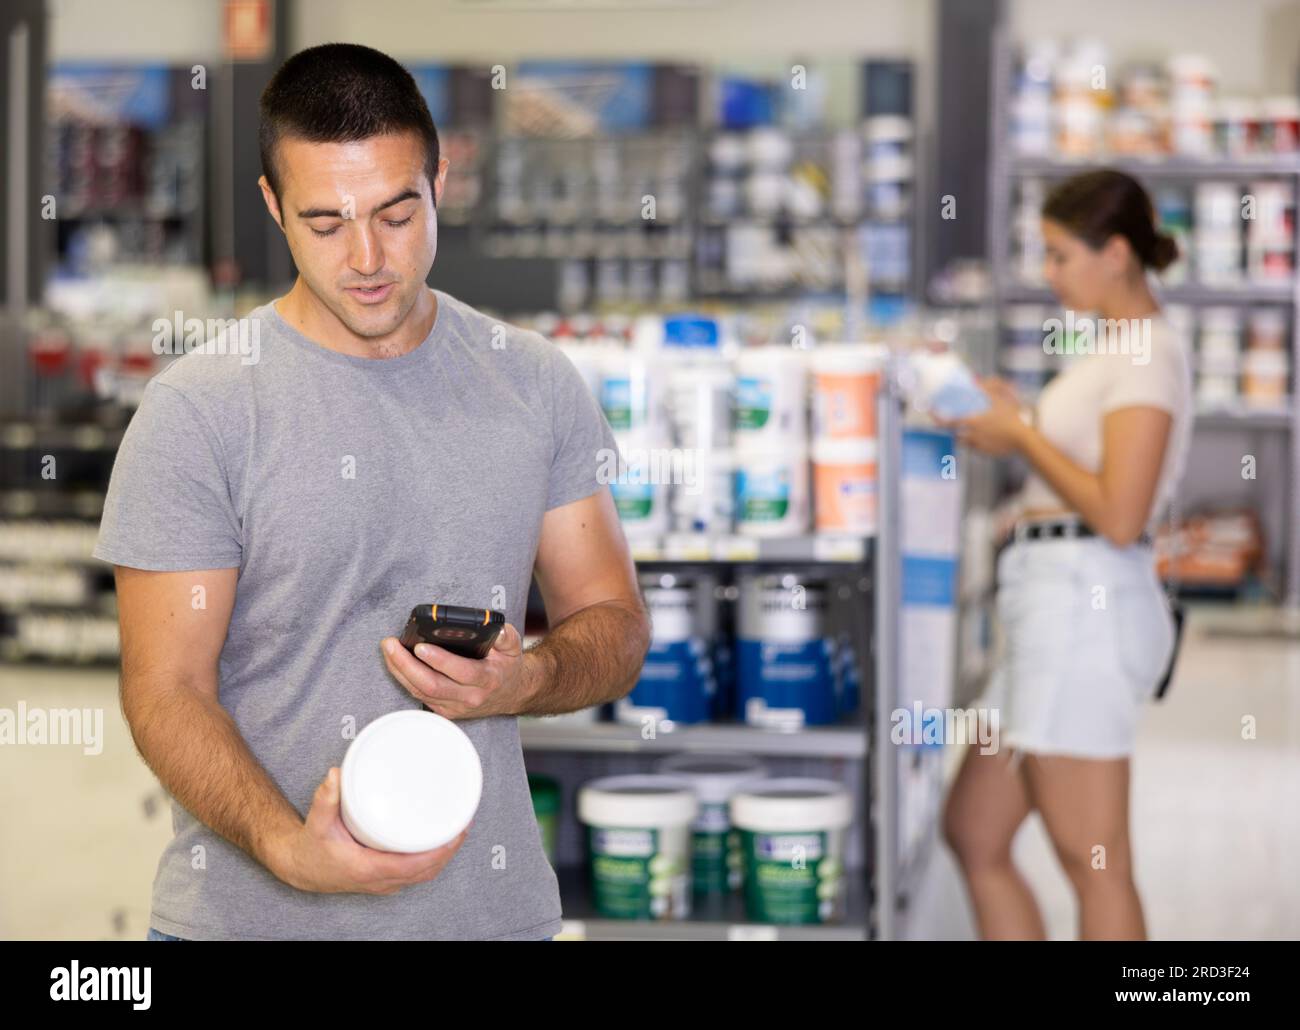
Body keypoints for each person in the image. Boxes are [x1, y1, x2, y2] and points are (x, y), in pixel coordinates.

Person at [94, 43, 651, 941]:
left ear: (441, 181)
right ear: (274, 206)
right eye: (325, 222)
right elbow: (166, 688)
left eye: (397, 213)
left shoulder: (534, 383)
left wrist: (528, 677)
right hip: (250, 926)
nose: (366, 258)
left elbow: (614, 623)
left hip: (489, 920)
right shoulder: (198, 411)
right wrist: (288, 849)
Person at [942, 169, 1192, 940]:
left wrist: (1021, 434)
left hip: (1085, 611)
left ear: (1114, 253)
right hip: (1048, 619)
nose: (1048, 274)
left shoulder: (1146, 353)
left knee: (1095, 863)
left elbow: (1120, 512)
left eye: (1059, 256)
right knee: (976, 833)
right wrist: (1016, 415)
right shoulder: (1113, 349)